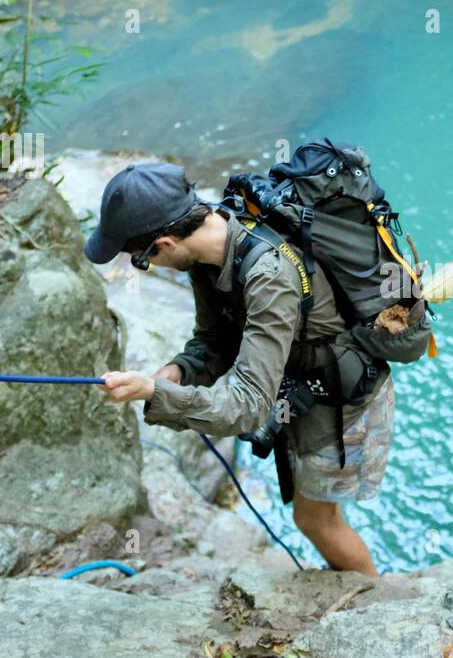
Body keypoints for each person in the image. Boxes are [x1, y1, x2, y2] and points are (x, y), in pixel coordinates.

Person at [83, 161, 394, 576]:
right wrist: (177, 373)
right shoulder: (210, 244)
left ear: (164, 244)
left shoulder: (268, 275)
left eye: (141, 260)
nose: (146, 266)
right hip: (297, 386)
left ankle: (374, 602)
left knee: (316, 520)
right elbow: (216, 339)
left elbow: (246, 406)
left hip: (341, 400)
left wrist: (156, 395)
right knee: (313, 515)